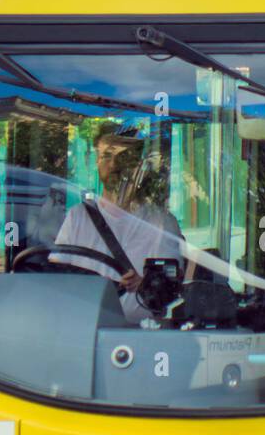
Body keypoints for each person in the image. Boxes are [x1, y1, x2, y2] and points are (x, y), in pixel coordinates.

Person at [50, 123, 186, 323]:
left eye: (124, 157)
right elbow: (56, 281)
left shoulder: (162, 223)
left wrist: (143, 286)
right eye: (107, 156)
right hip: (84, 331)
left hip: (144, 337)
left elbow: (170, 292)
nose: (114, 165)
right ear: (96, 161)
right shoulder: (77, 218)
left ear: (137, 164)